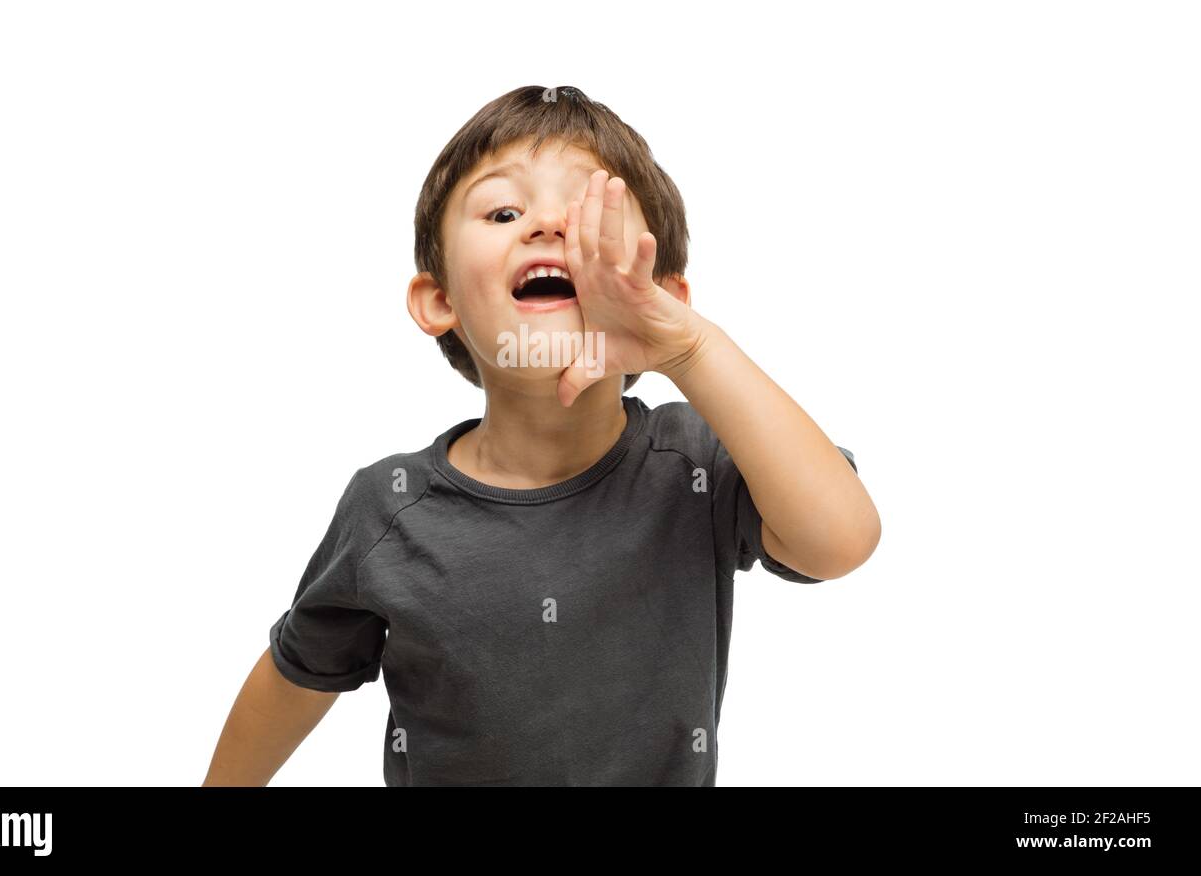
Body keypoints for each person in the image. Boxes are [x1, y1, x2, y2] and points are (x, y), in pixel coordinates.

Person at [203, 85, 881, 786]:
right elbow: (296, 678)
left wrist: (693, 353)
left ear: (665, 297)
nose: (548, 226)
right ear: (440, 301)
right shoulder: (389, 506)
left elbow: (840, 539)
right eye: (503, 211)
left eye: (591, 218)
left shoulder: (694, 466)